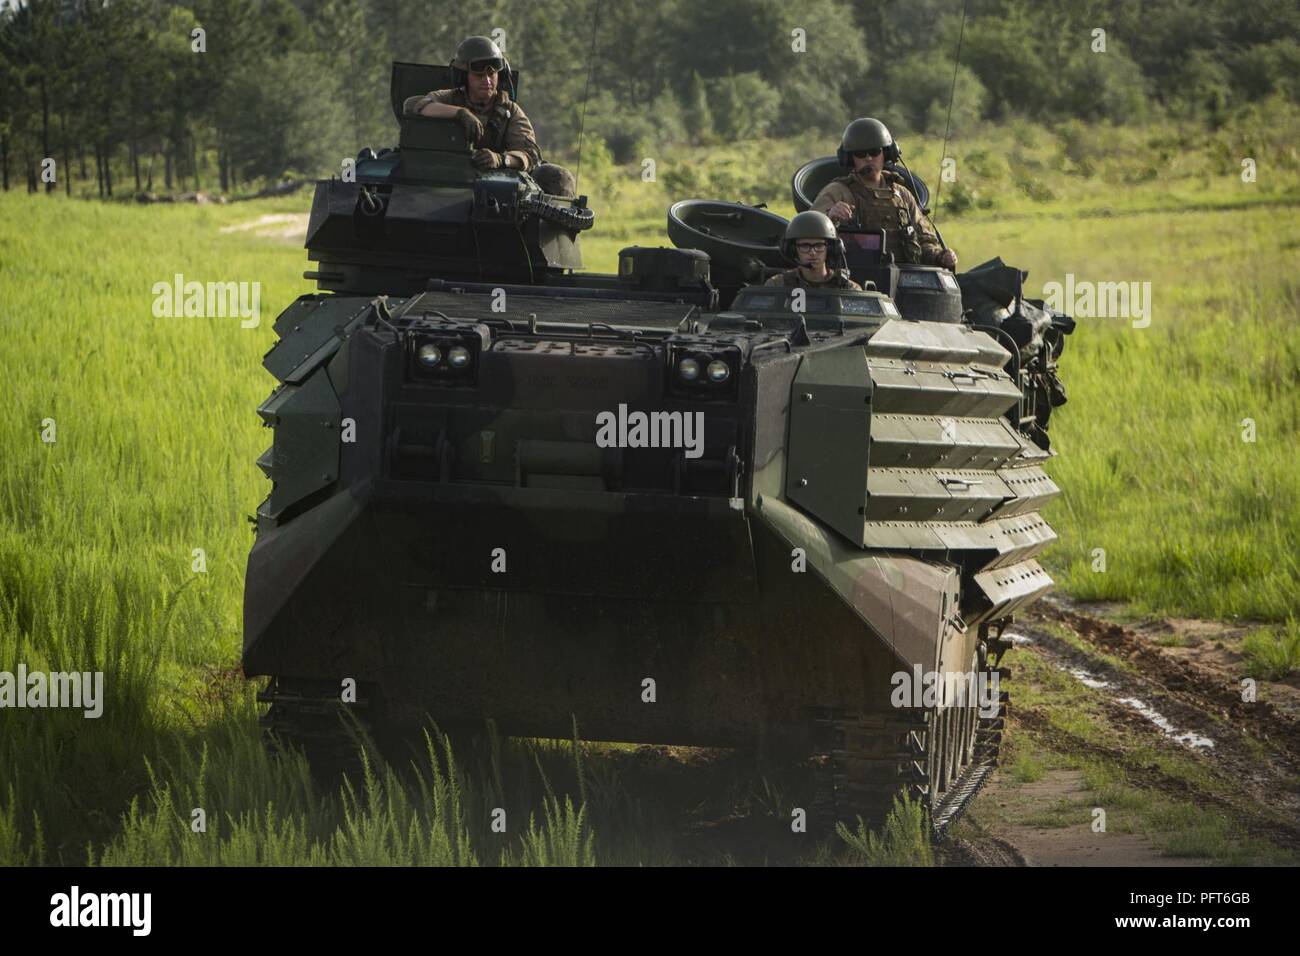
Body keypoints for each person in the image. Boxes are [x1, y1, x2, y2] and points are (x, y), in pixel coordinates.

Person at [402, 35, 576, 196]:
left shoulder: (510, 111)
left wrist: (501, 159)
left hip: (491, 187)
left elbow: (529, 154)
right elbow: (417, 105)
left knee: (558, 177)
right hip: (440, 175)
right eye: (479, 75)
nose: (487, 81)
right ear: (463, 76)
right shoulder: (449, 98)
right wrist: (460, 112)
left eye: (491, 74)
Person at [812, 117, 958, 271]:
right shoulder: (838, 191)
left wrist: (940, 256)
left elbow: (924, 240)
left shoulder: (902, 195)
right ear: (850, 158)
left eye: (875, 152)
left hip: (906, 278)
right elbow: (808, 232)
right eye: (861, 154)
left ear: (887, 153)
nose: (868, 158)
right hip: (856, 279)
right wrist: (830, 217)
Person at [764, 210, 863, 289]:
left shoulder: (848, 288)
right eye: (805, 246)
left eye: (819, 246)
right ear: (793, 250)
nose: (812, 252)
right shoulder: (777, 285)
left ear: (831, 248)